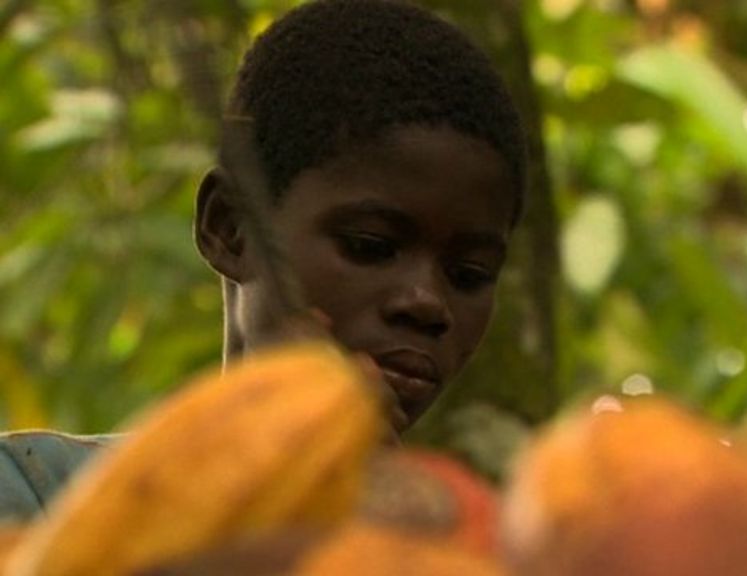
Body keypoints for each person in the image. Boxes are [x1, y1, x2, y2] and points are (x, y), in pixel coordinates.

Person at [0, 0, 526, 521]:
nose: (428, 302)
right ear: (228, 227)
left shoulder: (484, 546)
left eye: (469, 275)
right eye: (370, 245)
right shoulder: (33, 492)